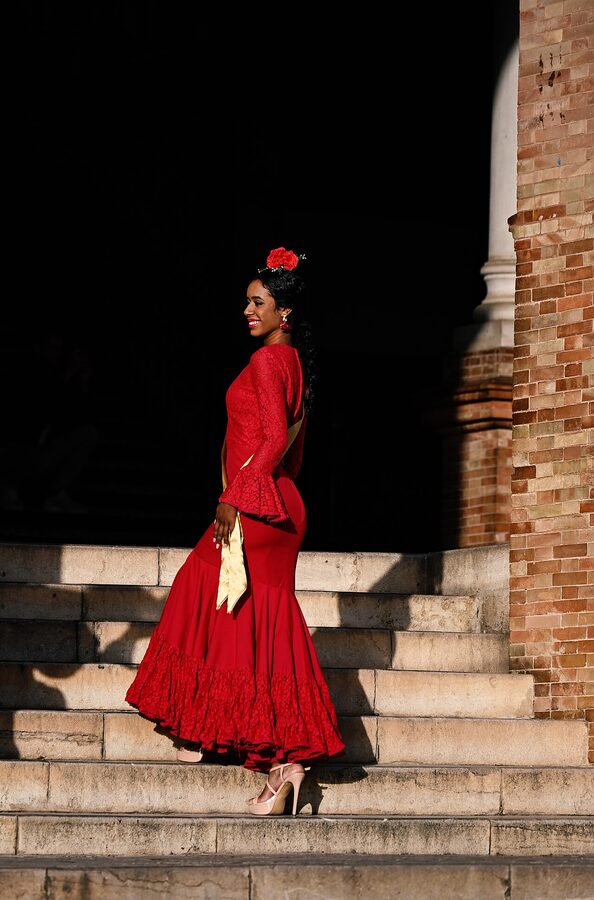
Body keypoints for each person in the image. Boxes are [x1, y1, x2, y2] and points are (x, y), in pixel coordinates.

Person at [125, 247, 345, 815]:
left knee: (200, 591)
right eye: (248, 301)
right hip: (279, 505)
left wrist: (232, 497)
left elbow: (273, 442)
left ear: (285, 313)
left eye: (258, 302)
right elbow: (289, 455)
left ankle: (238, 742)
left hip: (254, 505)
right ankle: (272, 761)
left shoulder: (268, 363)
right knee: (252, 621)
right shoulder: (293, 363)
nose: (247, 310)